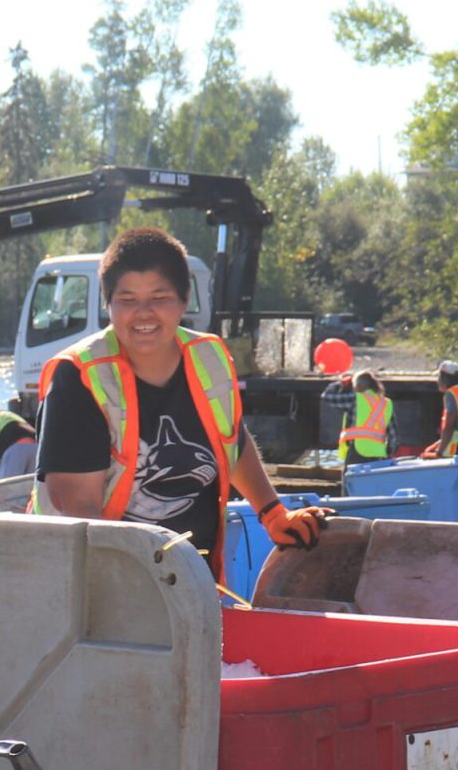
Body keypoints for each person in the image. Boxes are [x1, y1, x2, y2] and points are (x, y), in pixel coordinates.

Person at [32, 226, 330, 582]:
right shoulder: (79, 377)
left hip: (193, 581)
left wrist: (272, 513)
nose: (144, 313)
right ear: (106, 304)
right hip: (100, 586)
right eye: (127, 300)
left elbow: (230, 439)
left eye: (159, 297)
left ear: (184, 299)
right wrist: (131, 592)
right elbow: (76, 509)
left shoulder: (210, 357)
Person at [335, 369, 393, 465]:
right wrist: (387, 454)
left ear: (360, 386)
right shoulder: (386, 403)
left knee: (352, 479)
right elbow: (393, 435)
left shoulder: (355, 399)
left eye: (354, 386)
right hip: (377, 453)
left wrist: (341, 383)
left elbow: (328, 396)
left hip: (356, 451)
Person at [0, 404, 38, 479]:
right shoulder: (3, 418)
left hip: (17, 449)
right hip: (36, 449)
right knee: (30, 487)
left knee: (6, 488)